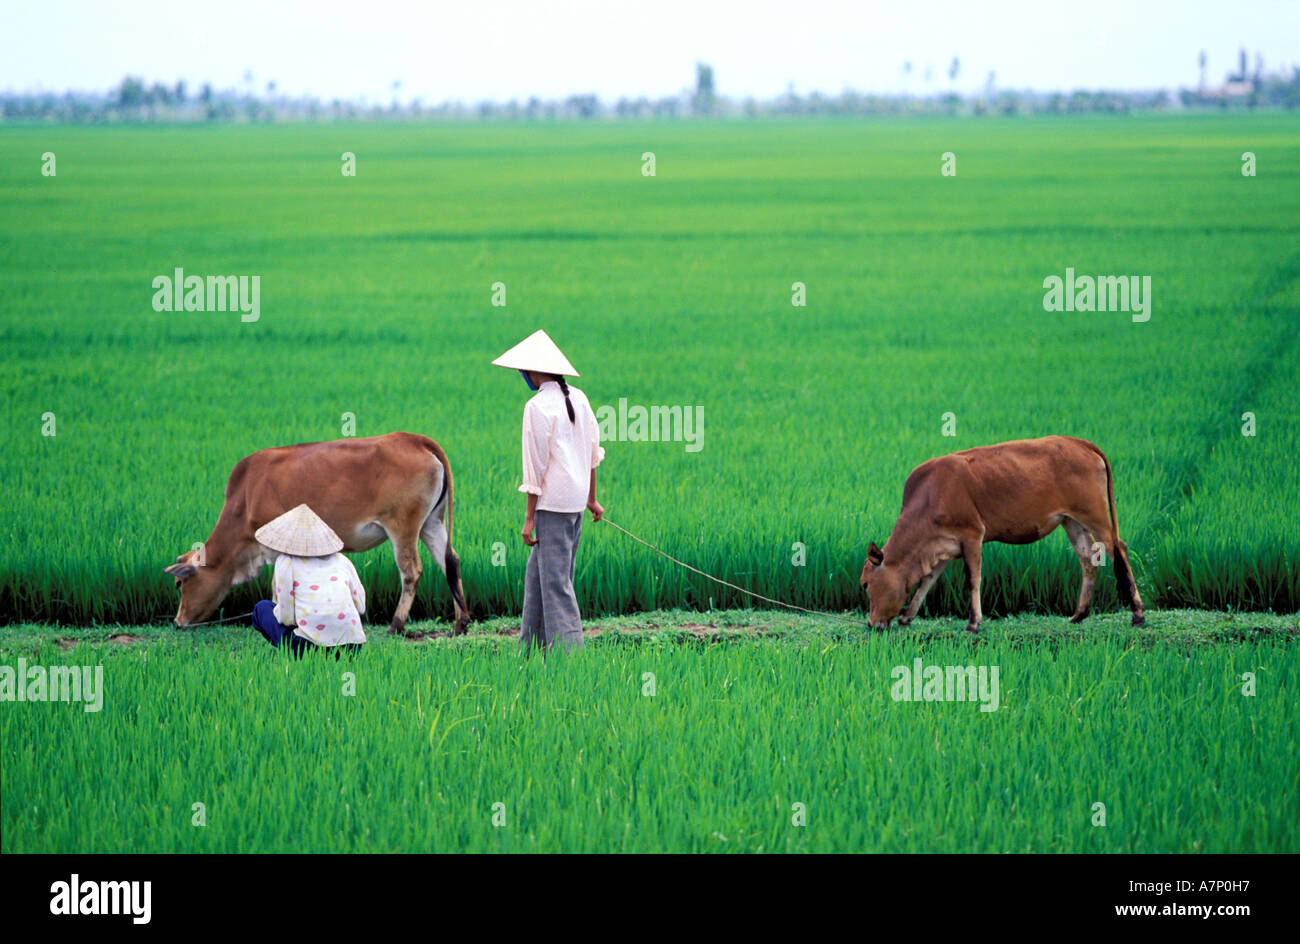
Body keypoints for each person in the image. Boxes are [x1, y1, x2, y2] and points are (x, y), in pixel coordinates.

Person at [492, 329, 605, 652]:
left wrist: (529, 519)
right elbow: (592, 453)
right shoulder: (579, 398)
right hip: (573, 505)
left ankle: (570, 656)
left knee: (556, 583)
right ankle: (530, 651)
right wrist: (591, 499)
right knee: (538, 579)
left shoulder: (537, 406)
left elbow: (535, 469)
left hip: (552, 506)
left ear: (532, 371)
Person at [249, 503, 366, 658]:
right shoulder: (342, 560)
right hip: (352, 647)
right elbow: (361, 606)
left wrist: (305, 615)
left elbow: (286, 618)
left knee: (261, 608)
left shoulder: (286, 562)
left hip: (308, 648)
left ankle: (295, 656)